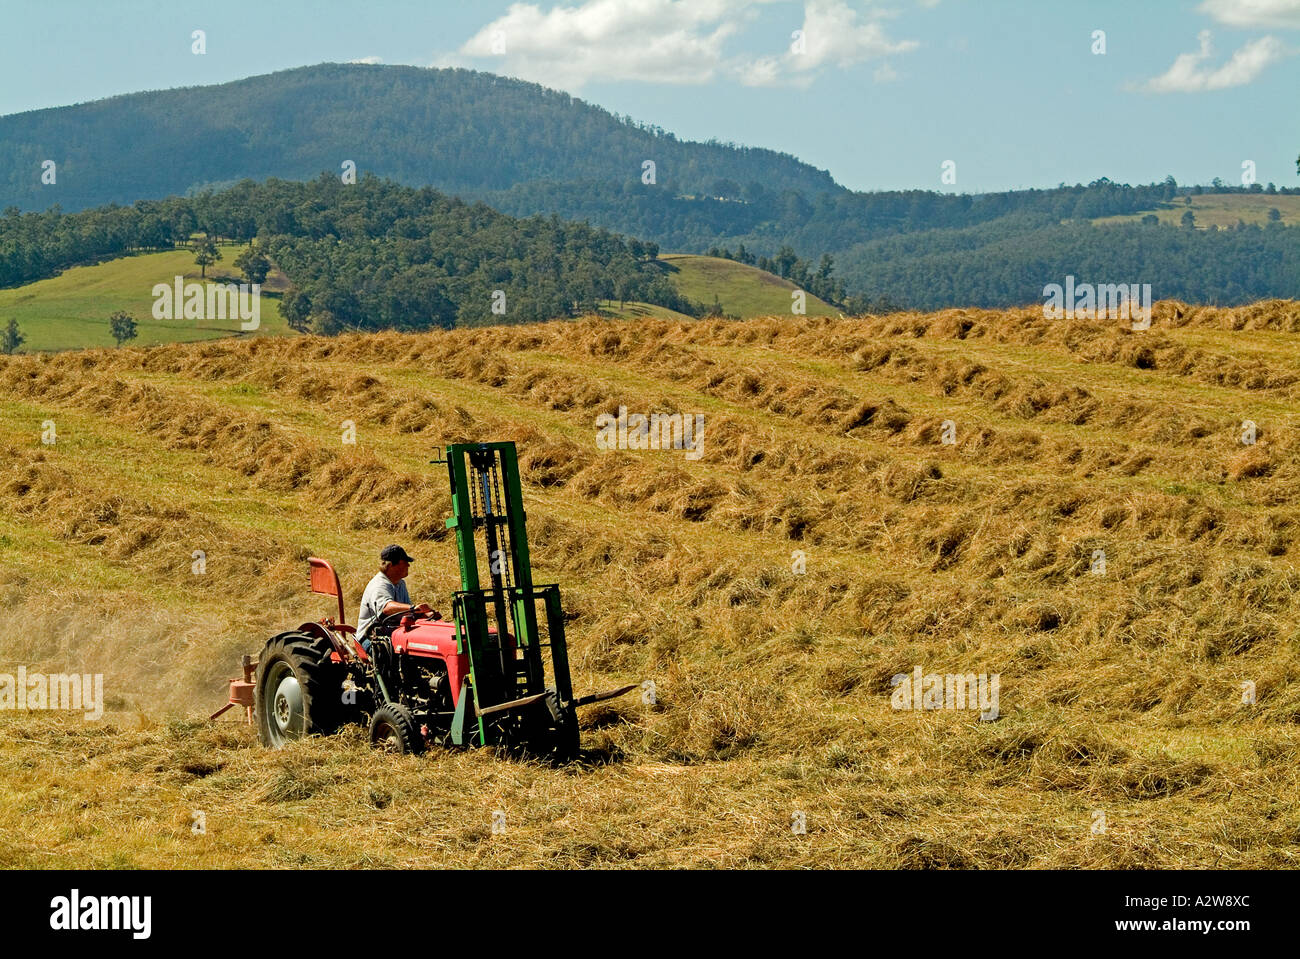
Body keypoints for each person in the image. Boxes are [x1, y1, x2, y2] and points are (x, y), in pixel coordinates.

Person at [356, 544, 439, 650]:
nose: (408, 565)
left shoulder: (400, 584)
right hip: (370, 637)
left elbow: (406, 612)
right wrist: (413, 608)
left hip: (393, 631)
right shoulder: (379, 584)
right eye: (404, 563)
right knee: (390, 653)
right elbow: (386, 608)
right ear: (390, 565)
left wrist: (425, 615)